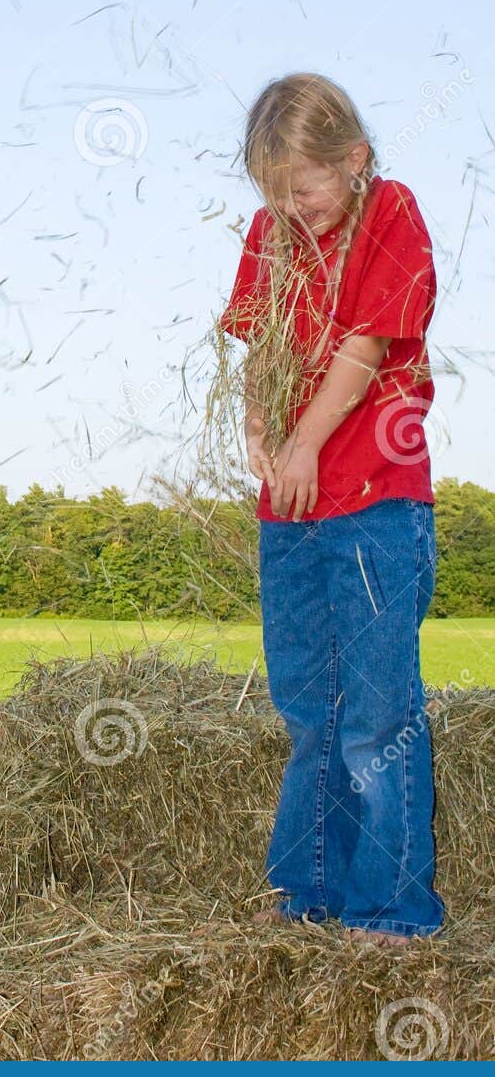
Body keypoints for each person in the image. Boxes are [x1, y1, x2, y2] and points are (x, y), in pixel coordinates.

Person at [220, 71, 444, 945]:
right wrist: (258, 433)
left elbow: (365, 343)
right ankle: (309, 893)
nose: (291, 210)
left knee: (377, 716)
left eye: (304, 190)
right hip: (291, 513)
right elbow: (261, 348)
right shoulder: (269, 232)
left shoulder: (390, 213)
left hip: (374, 505)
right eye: (274, 196)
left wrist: (306, 441)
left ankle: (388, 911)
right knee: (311, 709)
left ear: (351, 161)